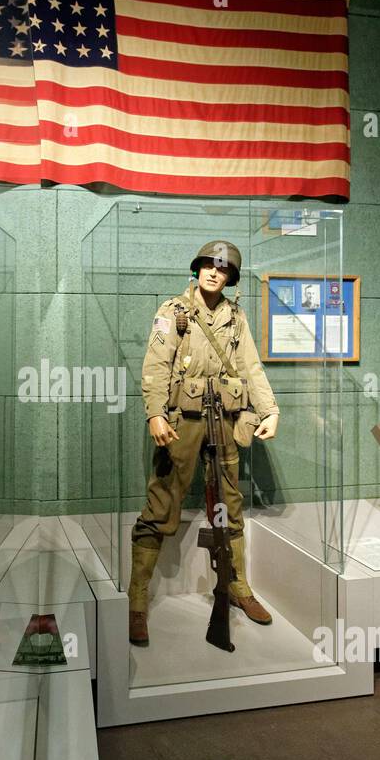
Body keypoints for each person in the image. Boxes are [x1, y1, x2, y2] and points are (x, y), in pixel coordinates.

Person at [126, 239, 280, 646]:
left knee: (231, 506)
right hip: (182, 421)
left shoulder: (236, 317)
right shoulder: (173, 312)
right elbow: (156, 364)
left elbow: (251, 366)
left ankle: (238, 587)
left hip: (225, 421)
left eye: (224, 268)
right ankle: (137, 600)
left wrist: (270, 410)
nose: (215, 273)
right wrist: (155, 413)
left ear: (230, 277)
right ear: (197, 268)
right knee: (161, 506)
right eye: (209, 265)